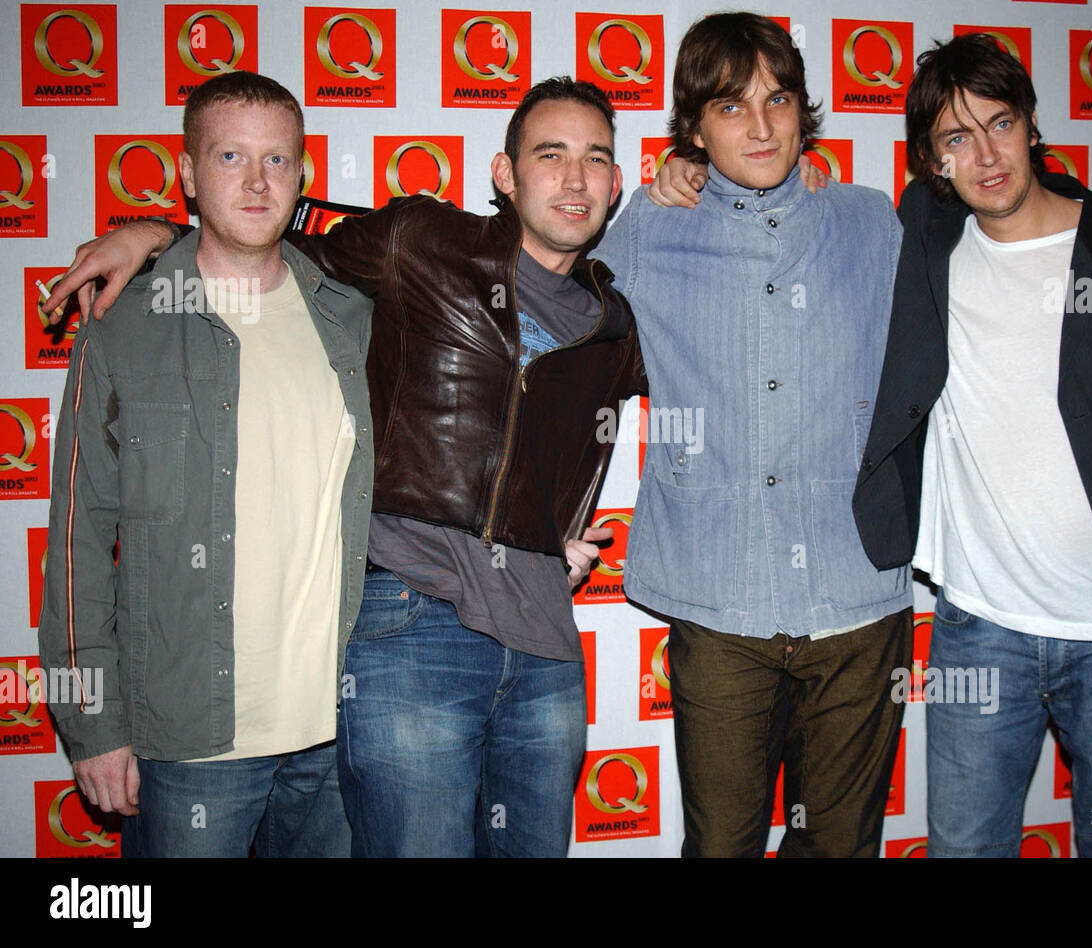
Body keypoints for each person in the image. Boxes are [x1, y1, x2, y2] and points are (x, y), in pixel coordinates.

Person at [40, 77, 641, 857]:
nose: (573, 176)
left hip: (404, 687)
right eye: (550, 153)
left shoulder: (602, 324)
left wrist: (543, 532)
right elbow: (75, 546)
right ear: (504, 173)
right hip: (326, 667)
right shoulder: (413, 247)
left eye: (595, 158)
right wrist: (152, 233)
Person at [853, 34, 1092, 857]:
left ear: (1032, 124)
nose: (986, 156)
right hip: (978, 629)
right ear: (932, 162)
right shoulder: (928, 236)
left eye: (998, 123)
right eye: (956, 139)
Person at [592, 12, 912, 857]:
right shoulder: (648, 229)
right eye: (731, 107)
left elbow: (957, 353)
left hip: (856, 598)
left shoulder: (873, 223)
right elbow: (560, 358)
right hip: (718, 599)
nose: (762, 126)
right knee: (722, 847)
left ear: (805, 108)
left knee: (840, 848)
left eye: (778, 99)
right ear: (693, 127)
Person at [38, 71, 374, 857]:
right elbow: (76, 542)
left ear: (302, 175)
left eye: (277, 161)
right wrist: (92, 726)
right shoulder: (123, 329)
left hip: (336, 733)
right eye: (229, 157)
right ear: (187, 174)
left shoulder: (352, 316)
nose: (257, 183)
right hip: (186, 740)